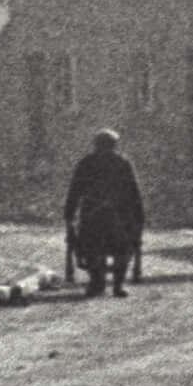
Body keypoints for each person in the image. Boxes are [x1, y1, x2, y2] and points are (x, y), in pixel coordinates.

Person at [64, 127, 146, 296]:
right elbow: (134, 192)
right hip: (117, 215)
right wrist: (139, 216)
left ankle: (98, 283)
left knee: (93, 248)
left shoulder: (87, 163)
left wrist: (69, 215)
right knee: (121, 249)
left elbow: (74, 192)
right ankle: (116, 285)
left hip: (95, 215)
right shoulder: (122, 163)